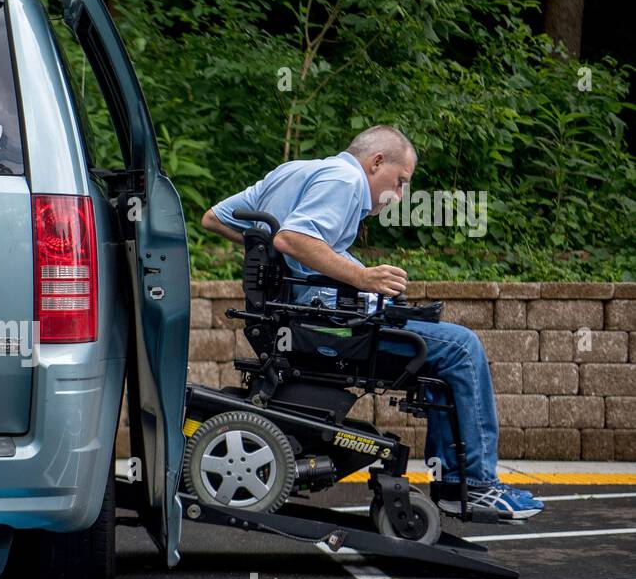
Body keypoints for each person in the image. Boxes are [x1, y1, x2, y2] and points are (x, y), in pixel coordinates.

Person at [199, 124, 543, 520]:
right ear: (376, 161)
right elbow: (291, 238)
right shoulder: (345, 179)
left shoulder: (292, 171)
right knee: (461, 347)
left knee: (441, 345)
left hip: (292, 322)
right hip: (325, 327)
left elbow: (215, 218)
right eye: (399, 182)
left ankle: (457, 481)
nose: (397, 196)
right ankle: (474, 484)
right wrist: (361, 278)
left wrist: (274, 268)